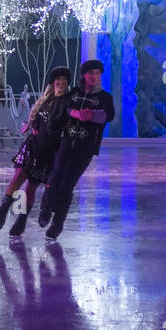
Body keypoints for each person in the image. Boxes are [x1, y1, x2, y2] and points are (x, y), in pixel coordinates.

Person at [38, 59, 115, 240]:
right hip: (67, 140)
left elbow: (108, 115)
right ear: (84, 76)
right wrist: (75, 113)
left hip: (86, 147)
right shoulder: (75, 93)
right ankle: (46, 209)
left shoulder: (105, 98)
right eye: (91, 73)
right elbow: (65, 107)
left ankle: (58, 223)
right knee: (56, 174)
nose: (94, 77)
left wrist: (91, 115)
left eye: (97, 73)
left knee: (68, 183)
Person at [0, 66, 70, 236]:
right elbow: (37, 120)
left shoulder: (66, 103)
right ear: (53, 81)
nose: (62, 81)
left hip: (48, 151)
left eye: (65, 79)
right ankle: (1, 213)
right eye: (59, 78)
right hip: (33, 146)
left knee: (31, 188)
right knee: (17, 179)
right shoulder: (45, 99)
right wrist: (30, 125)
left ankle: (21, 220)